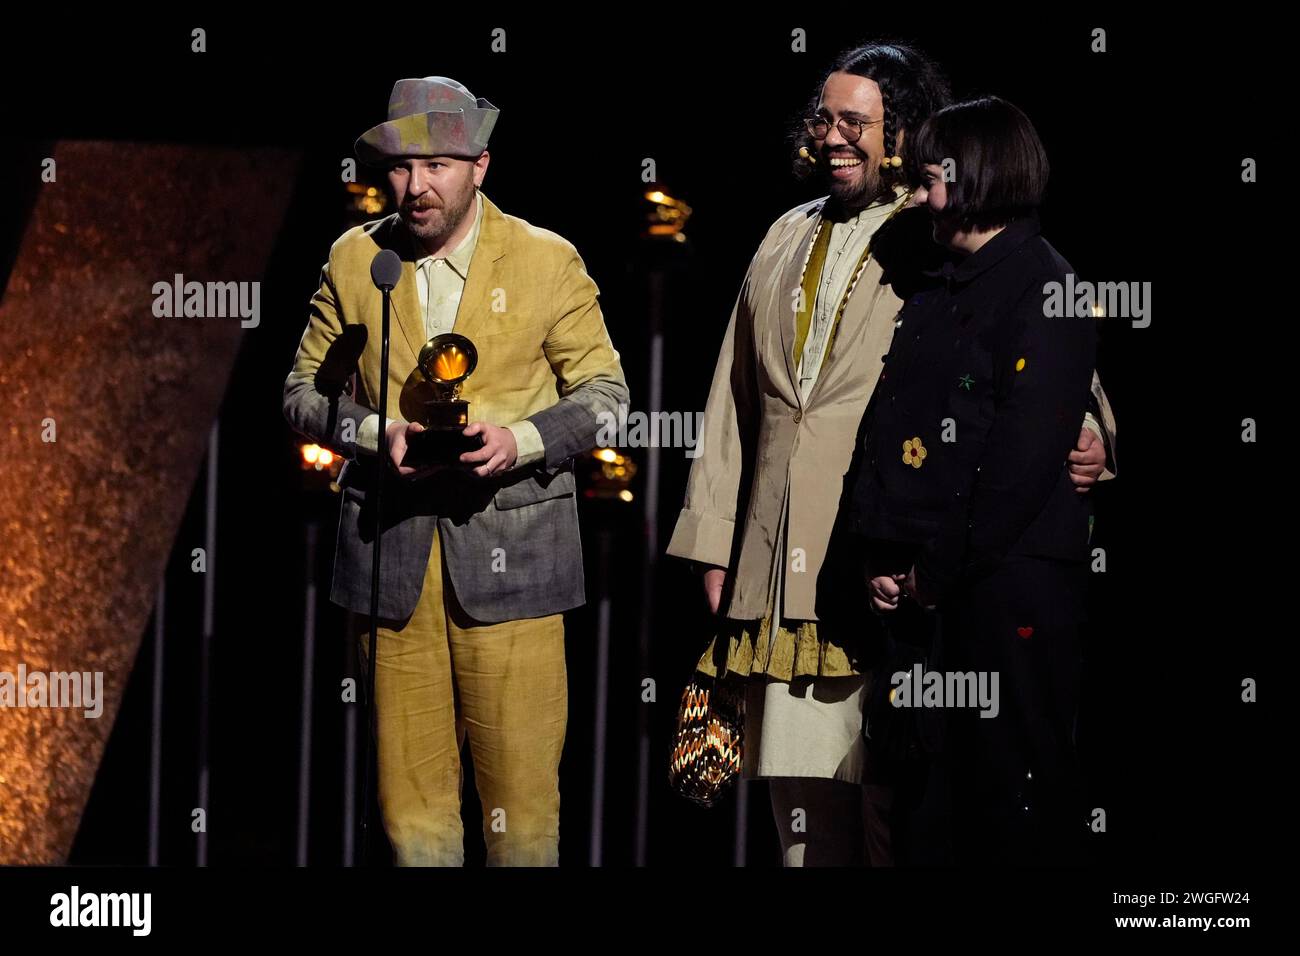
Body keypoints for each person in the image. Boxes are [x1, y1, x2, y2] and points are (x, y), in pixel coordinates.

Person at [667, 43, 1115, 867]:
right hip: (779, 561)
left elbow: (1014, 344)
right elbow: (734, 400)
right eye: (823, 118)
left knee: (891, 797)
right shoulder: (781, 235)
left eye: (855, 121)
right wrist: (713, 536)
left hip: (886, 556)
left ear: (903, 131)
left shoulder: (936, 225)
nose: (832, 136)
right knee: (798, 803)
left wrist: (1091, 432)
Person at [282, 76, 628, 866]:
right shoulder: (357, 259)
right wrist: (375, 430)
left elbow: (609, 399)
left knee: (523, 817)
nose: (416, 186)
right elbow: (302, 394)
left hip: (516, 563)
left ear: (480, 165)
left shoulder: (546, 259)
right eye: (402, 168)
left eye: (438, 164)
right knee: (411, 821)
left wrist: (521, 441)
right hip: (391, 564)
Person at [849, 96, 1096, 865]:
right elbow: (892, 436)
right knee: (926, 814)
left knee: (1006, 813)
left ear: (978, 175)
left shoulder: (1046, 288)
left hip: (1005, 600)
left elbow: (1018, 465)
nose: (920, 197)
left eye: (929, 179)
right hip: (929, 601)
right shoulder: (940, 285)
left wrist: (931, 572)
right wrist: (883, 559)